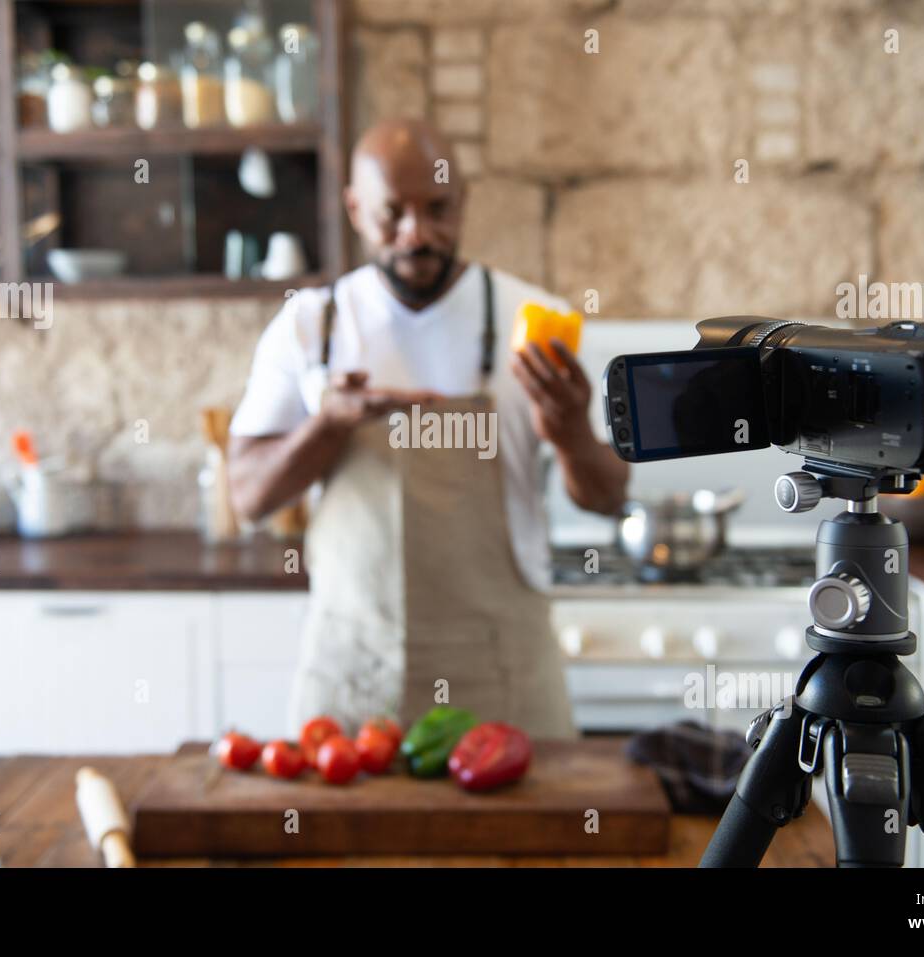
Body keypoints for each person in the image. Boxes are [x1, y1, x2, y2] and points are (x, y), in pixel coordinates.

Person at [228, 118, 628, 739]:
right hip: (355, 667)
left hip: (503, 664)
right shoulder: (310, 328)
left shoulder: (539, 325)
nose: (417, 234)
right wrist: (328, 425)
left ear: (463, 202)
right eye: (393, 214)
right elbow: (248, 498)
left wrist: (571, 430)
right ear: (356, 210)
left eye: (438, 209)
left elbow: (609, 498)